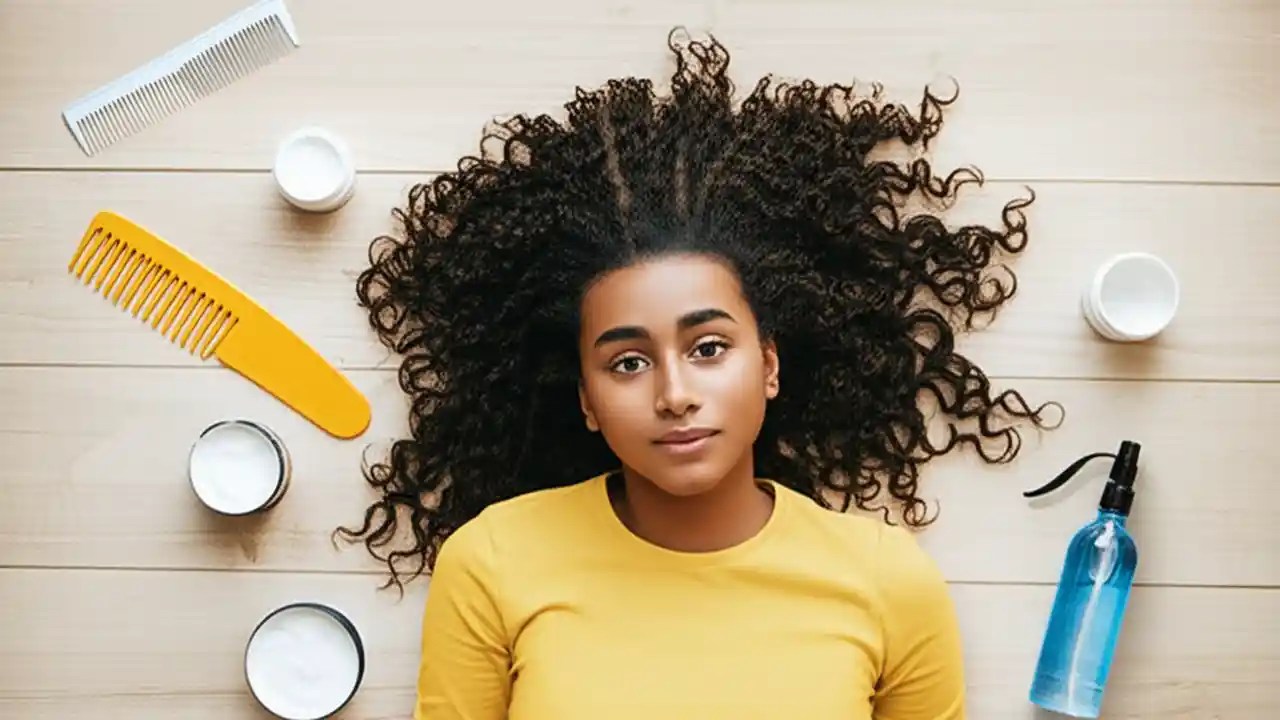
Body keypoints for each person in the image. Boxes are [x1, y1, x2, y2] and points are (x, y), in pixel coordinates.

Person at [336, 29, 1059, 720]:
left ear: (769, 364)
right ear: (587, 400)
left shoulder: (888, 581)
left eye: (708, 348)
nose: (675, 395)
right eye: (628, 362)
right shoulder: (493, 563)